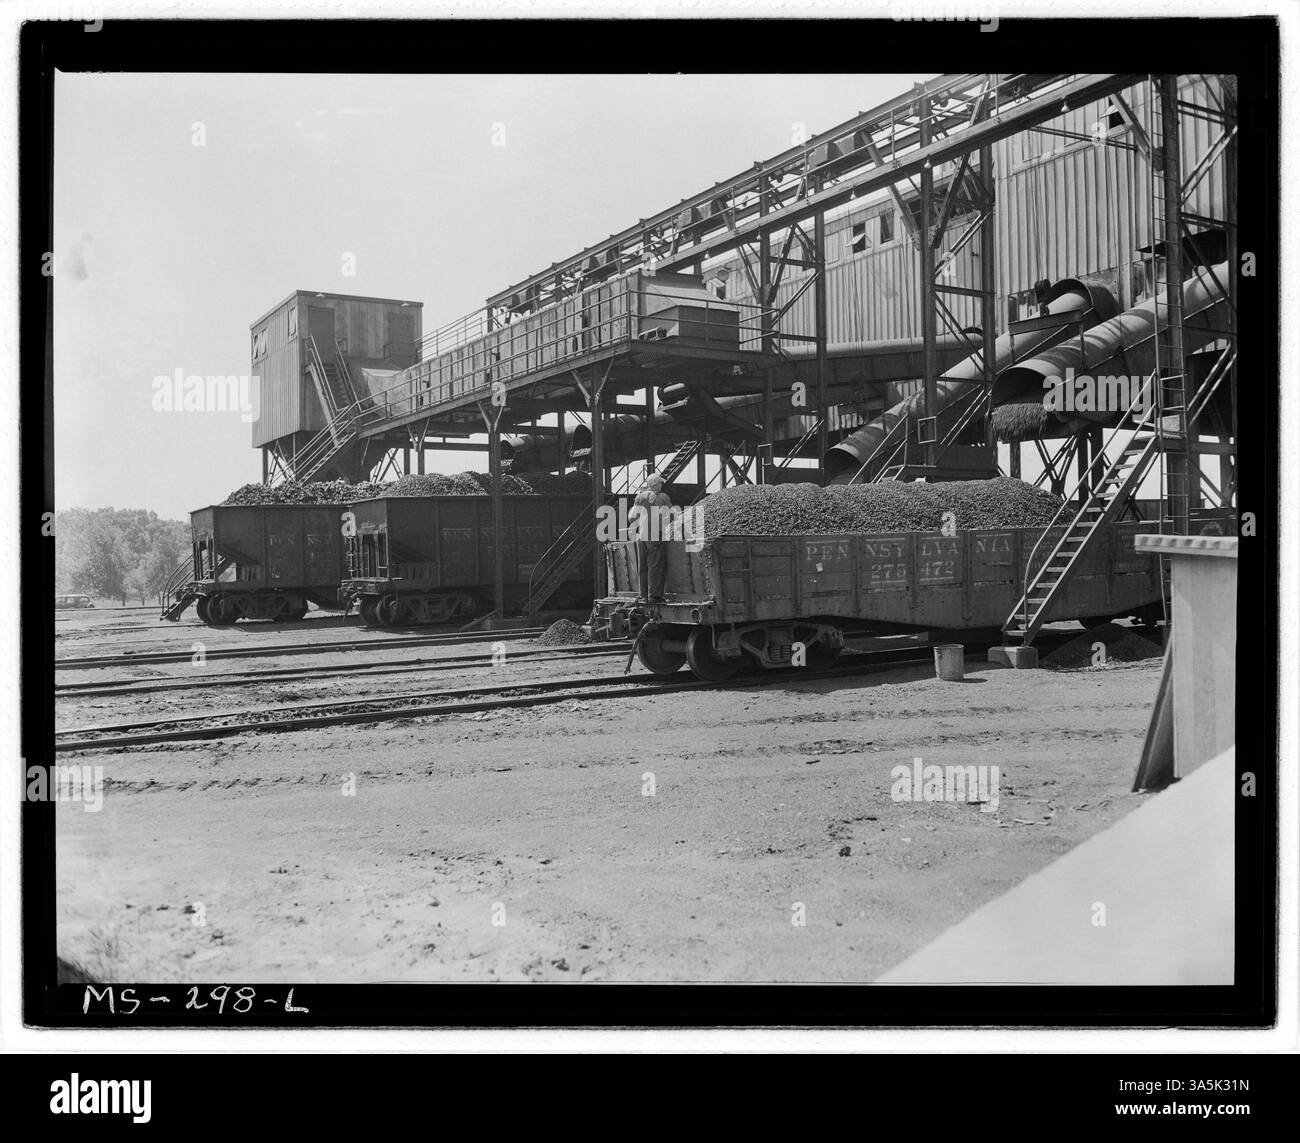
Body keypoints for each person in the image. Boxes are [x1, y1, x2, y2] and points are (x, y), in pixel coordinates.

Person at [632, 474, 672, 604]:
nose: (661, 485)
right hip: (655, 536)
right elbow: (672, 515)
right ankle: (654, 596)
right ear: (656, 484)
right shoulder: (662, 497)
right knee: (655, 565)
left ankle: (643, 596)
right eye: (660, 483)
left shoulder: (639, 497)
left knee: (643, 567)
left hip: (641, 537)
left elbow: (632, 518)